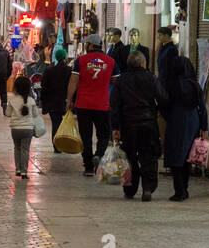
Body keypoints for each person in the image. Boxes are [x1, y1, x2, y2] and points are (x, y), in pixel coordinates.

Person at [111, 52, 166, 201]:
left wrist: (115, 127)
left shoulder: (121, 80)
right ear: (142, 63)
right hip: (148, 125)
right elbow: (162, 98)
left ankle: (130, 190)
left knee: (129, 158)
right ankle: (147, 188)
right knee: (148, 156)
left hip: (127, 125)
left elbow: (115, 104)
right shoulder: (151, 78)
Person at [158, 48, 207, 202]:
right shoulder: (195, 85)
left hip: (176, 119)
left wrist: (169, 117)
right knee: (188, 155)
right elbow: (203, 108)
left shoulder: (170, 85)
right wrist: (204, 127)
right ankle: (184, 188)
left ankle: (179, 191)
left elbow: (163, 105)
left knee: (175, 155)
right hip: (193, 120)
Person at [65, 33, 115, 176]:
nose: (85, 47)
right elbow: (117, 82)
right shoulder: (111, 61)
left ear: (92, 45)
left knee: (85, 136)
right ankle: (98, 155)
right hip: (103, 105)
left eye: (87, 44)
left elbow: (73, 82)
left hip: (83, 105)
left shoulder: (80, 61)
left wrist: (69, 100)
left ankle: (88, 167)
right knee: (104, 135)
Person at [6, 74, 46, 180]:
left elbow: (7, 113)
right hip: (28, 129)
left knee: (17, 148)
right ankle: (24, 172)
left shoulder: (12, 100)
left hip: (15, 129)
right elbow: (35, 115)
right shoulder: (31, 101)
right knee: (25, 149)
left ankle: (18, 169)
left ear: (15, 88)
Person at [40, 48, 71, 148]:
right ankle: (66, 144)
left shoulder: (49, 70)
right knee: (66, 124)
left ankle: (57, 146)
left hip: (52, 103)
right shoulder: (69, 70)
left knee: (56, 125)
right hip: (65, 102)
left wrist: (44, 105)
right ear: (65, 57)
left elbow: (44, 88)